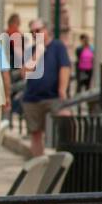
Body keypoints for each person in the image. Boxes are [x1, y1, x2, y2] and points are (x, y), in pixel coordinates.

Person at [21, 18, 71, 157]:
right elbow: (25, 73)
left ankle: (63, 158)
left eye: (38, 30)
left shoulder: (58, 46)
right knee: (35, 133)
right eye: (32, 32)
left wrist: (63, 89)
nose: (35, 34)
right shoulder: (31, 50)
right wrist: (37, 54)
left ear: (46, 30)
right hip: (32, 97)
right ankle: (39, 163)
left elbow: (64, 68)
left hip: (53, 96)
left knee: (65, 123)